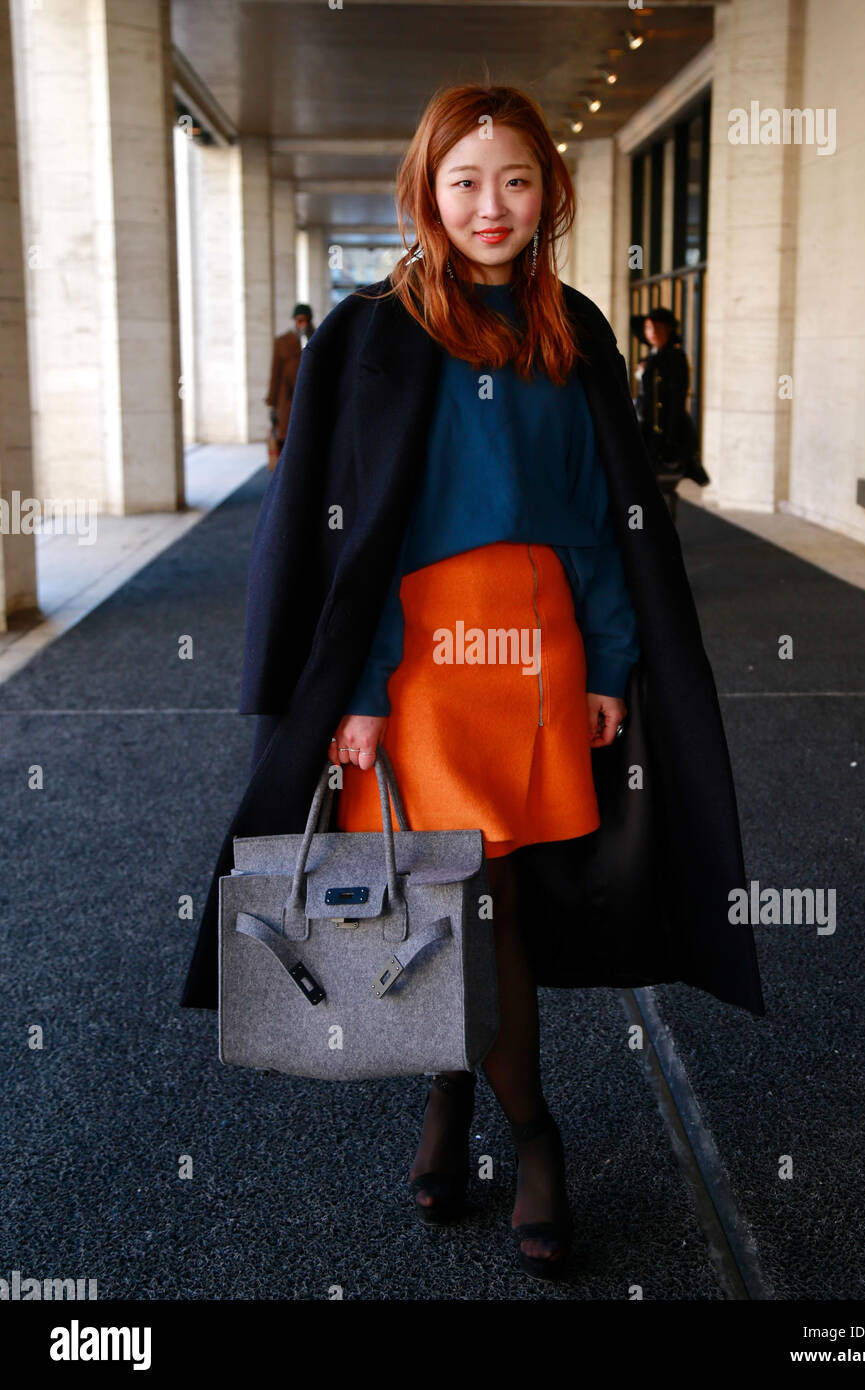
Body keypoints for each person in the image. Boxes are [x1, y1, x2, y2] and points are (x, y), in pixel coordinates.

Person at [179, 82, 765, 1287]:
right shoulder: (373, 332)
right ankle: (533, 1130)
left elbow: (606, 518)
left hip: (540, 657)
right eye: (465, 181)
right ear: (426, 192)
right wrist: (359, 685)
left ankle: (458, 1096)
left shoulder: (575, 328)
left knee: (480, 897)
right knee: (464, 895)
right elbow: (355, 537)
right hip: (420, 670)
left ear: (550, 190)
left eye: (515, 180)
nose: (491, 205)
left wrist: (612, 660)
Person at [631, 307, 710, 487]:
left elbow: (676, 397)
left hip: (663, 425)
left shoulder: (675, 357)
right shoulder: (650, 358)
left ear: (668, 329)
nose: (653, 332)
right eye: (649, 327)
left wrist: (669, 436)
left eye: (658, 327)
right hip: (645, 422)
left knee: (661, 477)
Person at [265, 303, 314, 468]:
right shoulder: (282, 342)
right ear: (294, 321)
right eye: (299, 320)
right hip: (287, 400)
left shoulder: (317, 337)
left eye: (306, 320)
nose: (303, 324)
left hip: (310, 398)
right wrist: (272, 405)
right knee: (286, 439)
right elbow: (275, 374)